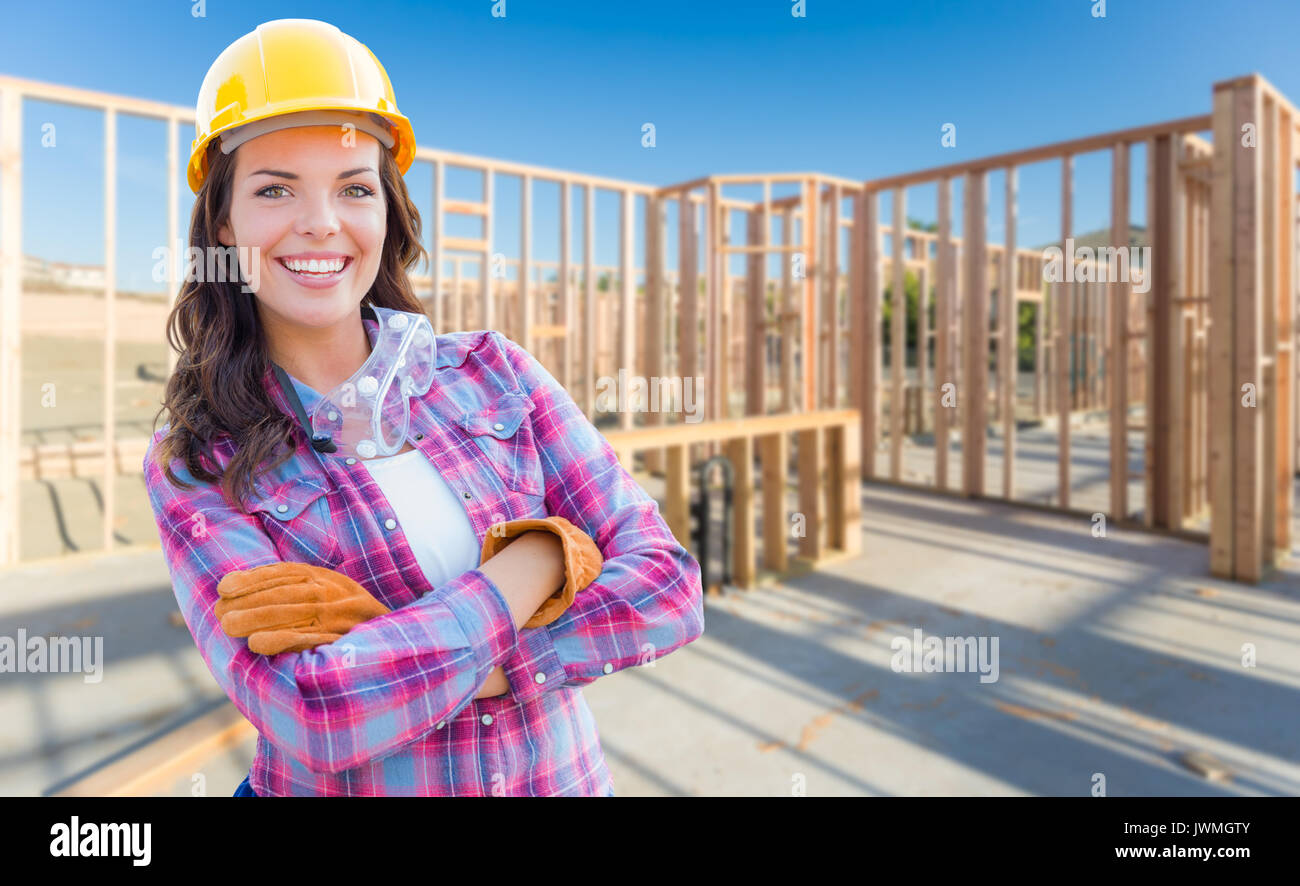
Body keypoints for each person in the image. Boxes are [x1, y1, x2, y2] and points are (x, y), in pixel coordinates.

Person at [143, 18, 704, 797]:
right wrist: (538, 561)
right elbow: (318, 714)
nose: (319, 222)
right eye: (275, 188)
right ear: (225, 222)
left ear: (386, 212)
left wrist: (430, 663)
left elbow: (668, 588)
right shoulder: (199, 456)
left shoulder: (494, 374)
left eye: (354, 187)